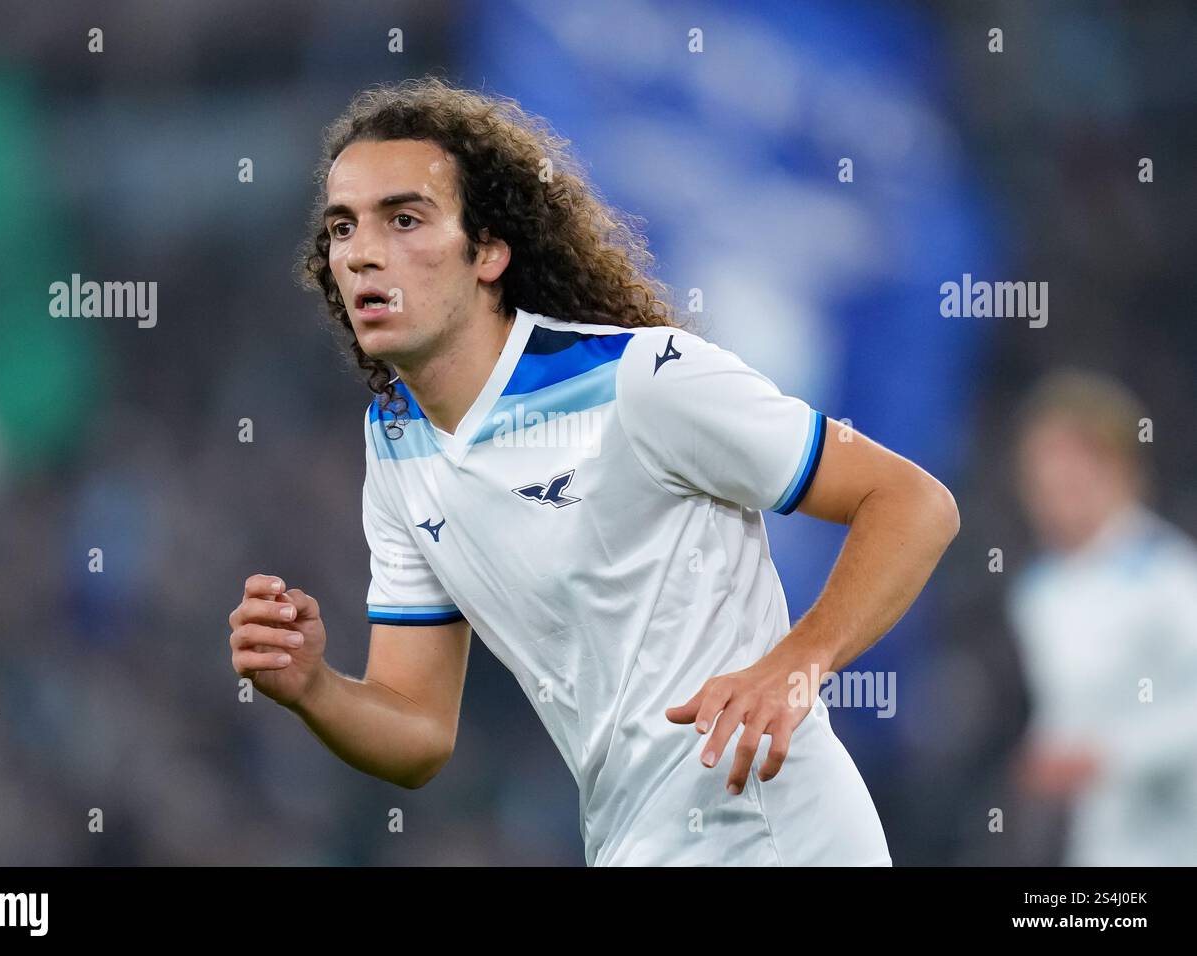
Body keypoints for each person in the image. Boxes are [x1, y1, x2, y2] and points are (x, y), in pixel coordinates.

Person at [227, 77, 959, 866]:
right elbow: (419, 732)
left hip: (774, 831)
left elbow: (913, 501)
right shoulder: (397, 444)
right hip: (631, 844)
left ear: (489, 251)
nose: (363, 251)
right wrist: (314, 689)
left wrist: (795, 665)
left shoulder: (639, 379)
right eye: (342, 228)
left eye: (404, 219)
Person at [1008, 368, 1197, 866]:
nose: (1054, 495)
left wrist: (1114, 755)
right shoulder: (1038, 591)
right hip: (1088, 848)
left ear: (1120, 469)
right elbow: (1063, 716)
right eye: (1042, 479)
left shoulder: (1169, 578)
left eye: (1073, 474)